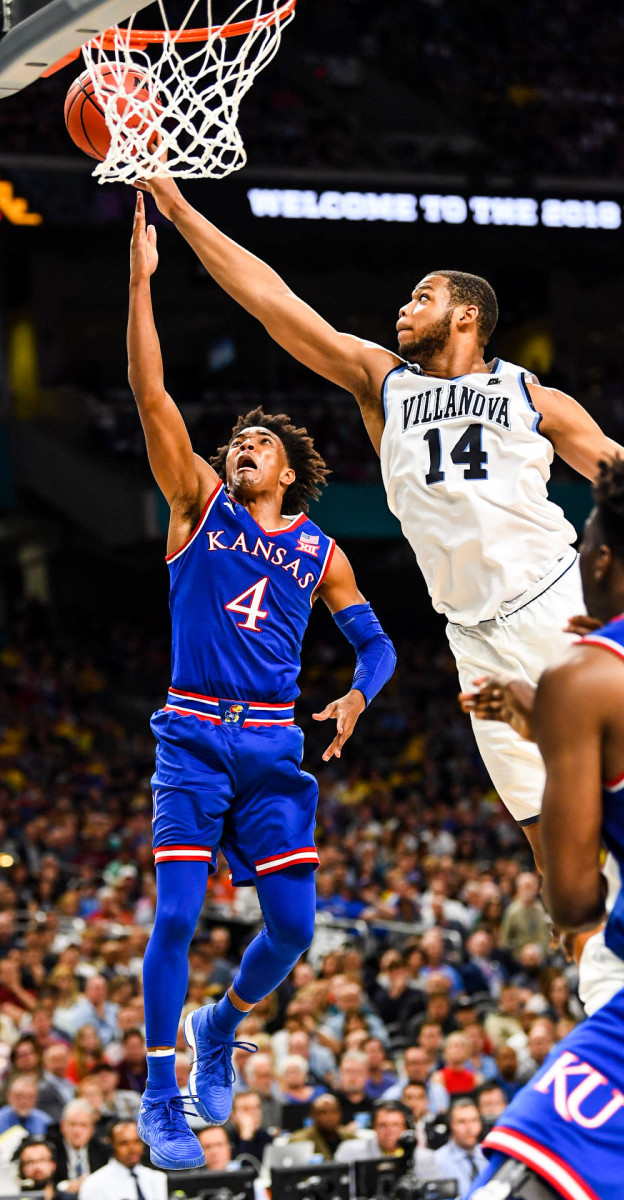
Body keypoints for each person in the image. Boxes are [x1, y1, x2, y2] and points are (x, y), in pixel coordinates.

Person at [136, 173, 623, 867]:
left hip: (552, 604)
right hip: (471, 633)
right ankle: (596, 973)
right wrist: (180, 211)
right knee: (549, 845)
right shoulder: (382, 382)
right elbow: (275, 304)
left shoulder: (531, 397)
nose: (403, 308)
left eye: (421, 297)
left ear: (465, 318)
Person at [127, 194, 396, 1172]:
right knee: (176, 916)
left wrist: (360, 694)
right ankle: (161, 1095)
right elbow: (151, 396)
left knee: (291, 928)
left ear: (285, 471)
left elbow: (379, 648)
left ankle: (219, 1026)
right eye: (234, 436)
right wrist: (140, 284)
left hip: (276, 745)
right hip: (194, 732)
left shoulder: (321, 552)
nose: (240, 443)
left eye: (258, 442)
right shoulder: (196, 503)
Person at [464, 448, 624, 1200]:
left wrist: (561, 729)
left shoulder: (589, 675)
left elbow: (571, 902)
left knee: (526, 1180)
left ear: (597, 560)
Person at [334, 1101, 442, 1182]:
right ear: (374, 1127)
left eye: (395, 1125)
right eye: (383, 1125)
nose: (389, 1131)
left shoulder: (424, 1158)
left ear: (406, 1128)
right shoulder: (350, 1152)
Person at [76, 1121, 167, 1200]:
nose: (132, 1149)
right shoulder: (94, 1185)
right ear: (111, 1145)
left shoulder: (157, 1178)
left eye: (137, 1141)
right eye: (123, 1143)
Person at [46, 1099, 109, 1194]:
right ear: (62, 1126)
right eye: (72, 1124)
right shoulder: (50, 1149)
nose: (77, 1131)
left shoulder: (103, 1151)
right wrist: (66, 1186)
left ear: (92, 1129)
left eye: (83, 1125)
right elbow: (45, 1183)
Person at [433, 1100, 487, 1196]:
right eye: (462, 1122)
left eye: (474, 1120)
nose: (469, 1127)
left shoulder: (489, 1154)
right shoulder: (437, 1160)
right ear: (451, 1125)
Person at [287, 1093, 352, 1160]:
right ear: (313, 1115)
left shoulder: (349, 1138)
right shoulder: (300, 1141)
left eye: (334, 1111)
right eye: (323, 1113)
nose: (329, 1117)